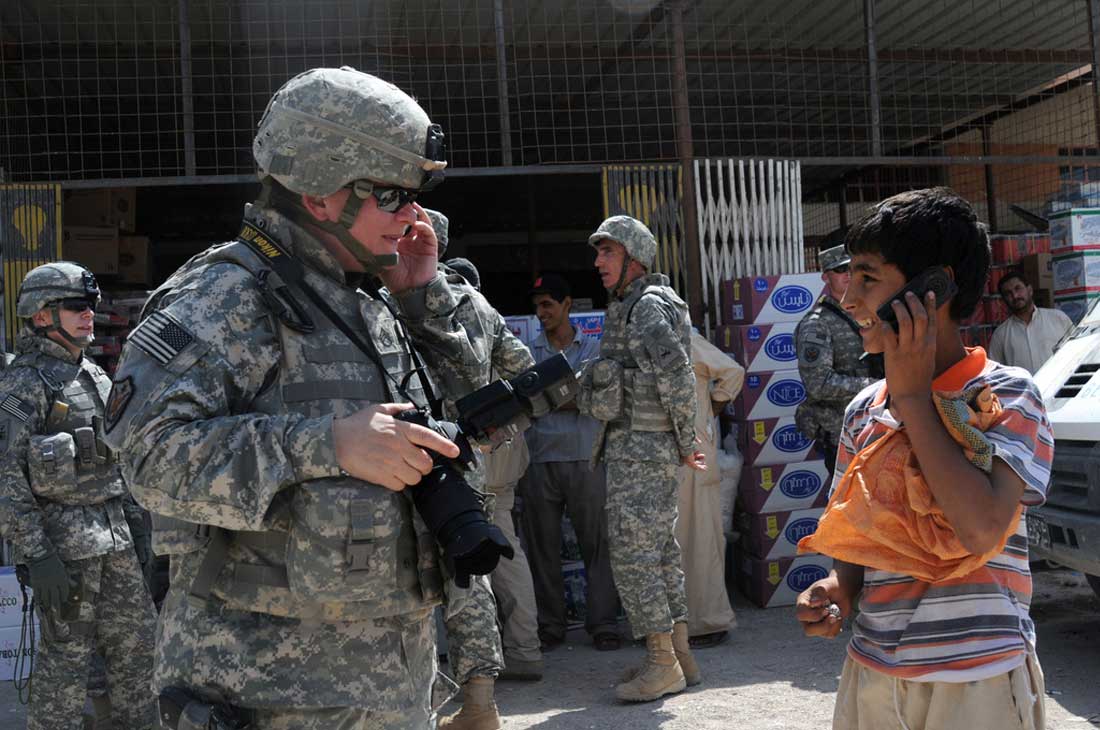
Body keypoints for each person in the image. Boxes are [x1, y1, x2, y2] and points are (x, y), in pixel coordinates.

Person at [103, 67, 480, 729]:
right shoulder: (226, 297)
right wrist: (326, 445)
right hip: (267, 691)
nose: (413, 216)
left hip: (390, 681)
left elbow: (472, 414)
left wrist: (423, 301)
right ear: (320, 194)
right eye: (393, 195)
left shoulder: (363, 296)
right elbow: (147, 457)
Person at [794, 188, 1051, 730]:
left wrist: (912, 398)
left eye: (868, 278)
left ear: (932, 290)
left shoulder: (1009, 396)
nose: (849, 299)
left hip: (978, 679)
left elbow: (982, 529)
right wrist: (838, 589)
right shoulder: (864, 411)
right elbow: (859, 546)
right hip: (875, 676)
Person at [0, 261, 156, 730]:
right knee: (64, 673)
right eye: (76, 308)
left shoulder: (94, 376)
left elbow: (119, 460)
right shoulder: (23, 384)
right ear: (43, 315)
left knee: (139, 655)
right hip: (65, 554)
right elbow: (7, 478)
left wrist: (137, 530)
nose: (89, 315)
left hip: (117, 546)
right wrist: (37, 555)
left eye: (90, 306)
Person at [412, 219, 538, 730]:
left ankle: (420, 703)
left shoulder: (390, 295)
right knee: (472, 577)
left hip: (409, 455)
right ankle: (481, 702)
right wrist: (489, 429)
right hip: (466, 456)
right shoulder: (476, 303)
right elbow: (524, 370)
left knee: (408, 570)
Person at [581, 215, 704, 702]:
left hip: (641, 450)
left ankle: (661, 663)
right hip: (642, 448)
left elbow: (677, 376)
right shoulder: (637, 304)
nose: (598, 262)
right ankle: (680, 656)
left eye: (607, 252)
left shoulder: (647, 308)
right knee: (659, 554)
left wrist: (685, 440)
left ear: (633, 257)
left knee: (635, 558)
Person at [520, 272, 622, 653]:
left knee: (596, 544)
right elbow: (526, 401)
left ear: (566, 305)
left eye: (548, 304)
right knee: (542, 547)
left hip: (586, 458)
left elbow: (596, 399)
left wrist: (549, 398)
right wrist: (568, 397)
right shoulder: (528, 353)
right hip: (539, 460)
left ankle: (603, 624)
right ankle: (551, 626)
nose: (541, 312)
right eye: (537, 305)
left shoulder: (594, 349)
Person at [675, 330, 744, 649]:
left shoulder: (685, 337)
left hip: (697, 451)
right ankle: (681, 623)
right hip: (673, 455)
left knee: (702, 539)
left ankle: (710, 621)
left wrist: (713, 406)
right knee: (680, 541)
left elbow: (732, 372)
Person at [794, 243, 877, 474]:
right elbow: (818, 384)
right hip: (843, 434)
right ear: (825, 277)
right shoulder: (817, 324)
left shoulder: (869, 315)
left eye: (851, 270)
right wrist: (872, 386)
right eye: (840, 270)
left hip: (874, 426)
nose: (848, 276)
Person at [988, 268, 1072, 374]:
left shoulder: (1058, 318)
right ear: (1004, 300)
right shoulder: (1000, 335)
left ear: (1030, 290)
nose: (1015, 296)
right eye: (1008, 293)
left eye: (1018, 288)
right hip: (1023, 391)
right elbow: (996, 374)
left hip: (1061, 387)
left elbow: (1078, 352)